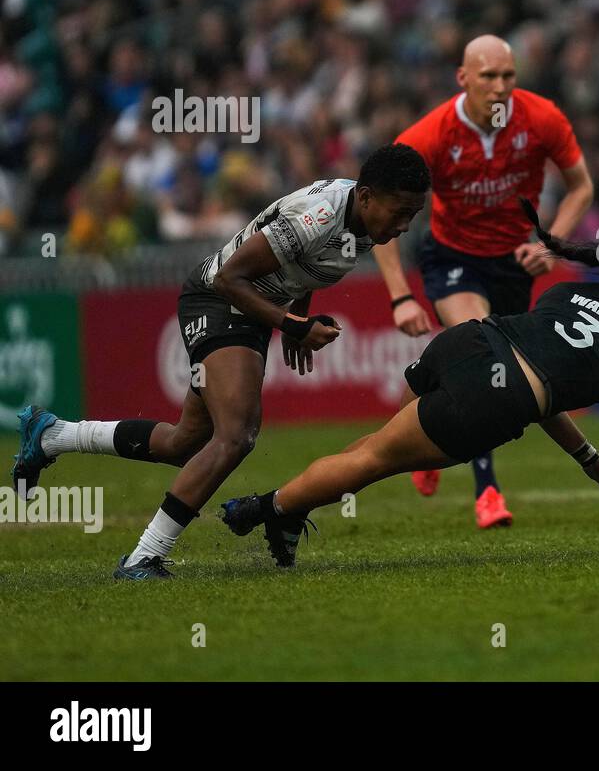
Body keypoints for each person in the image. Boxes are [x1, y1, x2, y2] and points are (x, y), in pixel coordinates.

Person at [218, 200, 599, 562]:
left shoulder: (566, 295)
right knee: (372, 463)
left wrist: (588, 457)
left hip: (465, 341)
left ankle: (288, 513)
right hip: (490, 397)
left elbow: (543, 380)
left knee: (374, 449)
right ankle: (263, 509)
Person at [13, 145, 431, 579]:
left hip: (248, 310)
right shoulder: (322, 214)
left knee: (184, 443)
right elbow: (230, 276)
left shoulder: (364, 225)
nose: (403, 226)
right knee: (237, 434)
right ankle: (144, 557)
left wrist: (298, 317)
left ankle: (54, 434)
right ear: (365, 197)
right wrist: (292, 325)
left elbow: (303, 265)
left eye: (412, 216)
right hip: (218, 300)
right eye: (399, 212)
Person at [377, 34, 594, 528]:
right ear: (463, 78)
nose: (499, 87)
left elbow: (583, 186)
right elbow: (380, 217)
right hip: (453, 258)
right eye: (488, 77)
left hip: (515, 262)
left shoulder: (542, 118)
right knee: (488, 358)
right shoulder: (427, 136)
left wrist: (551, 243)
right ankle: (488, 491)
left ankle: (413, 421)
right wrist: (401, 297)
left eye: (508, 76)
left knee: (475, 364)